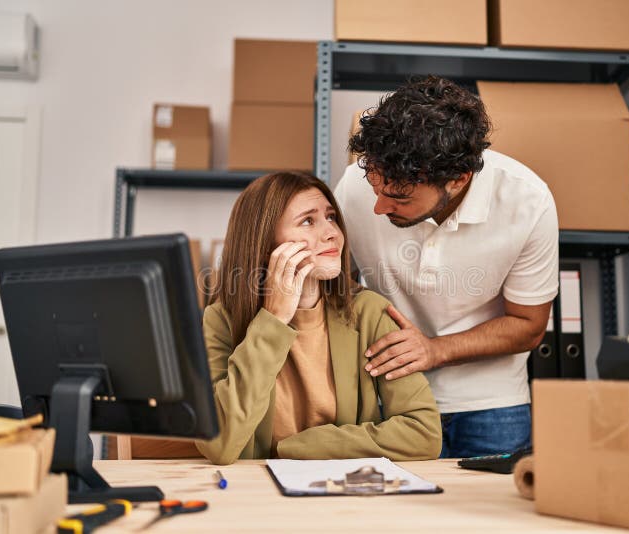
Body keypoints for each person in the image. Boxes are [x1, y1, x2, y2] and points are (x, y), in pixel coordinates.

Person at [334, 76, 559, 458]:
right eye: (375, 186)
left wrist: (435, 350)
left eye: (399, 198)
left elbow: (529, 326)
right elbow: (336, 292)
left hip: (492, 405)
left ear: (458, 179)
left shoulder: (528, 202)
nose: (378, 207)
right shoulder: (356, 187)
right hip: (389, 399)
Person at [195, 171, 441, 465]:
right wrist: (273, 320)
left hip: (344, 493)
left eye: (331, 217)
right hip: (255, 494)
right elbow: (219, 444)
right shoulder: (220, 320)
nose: (332, 233)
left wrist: (299, 448)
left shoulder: (370, 314)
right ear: (264, 243)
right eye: (308, 221)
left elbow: (423, 434)